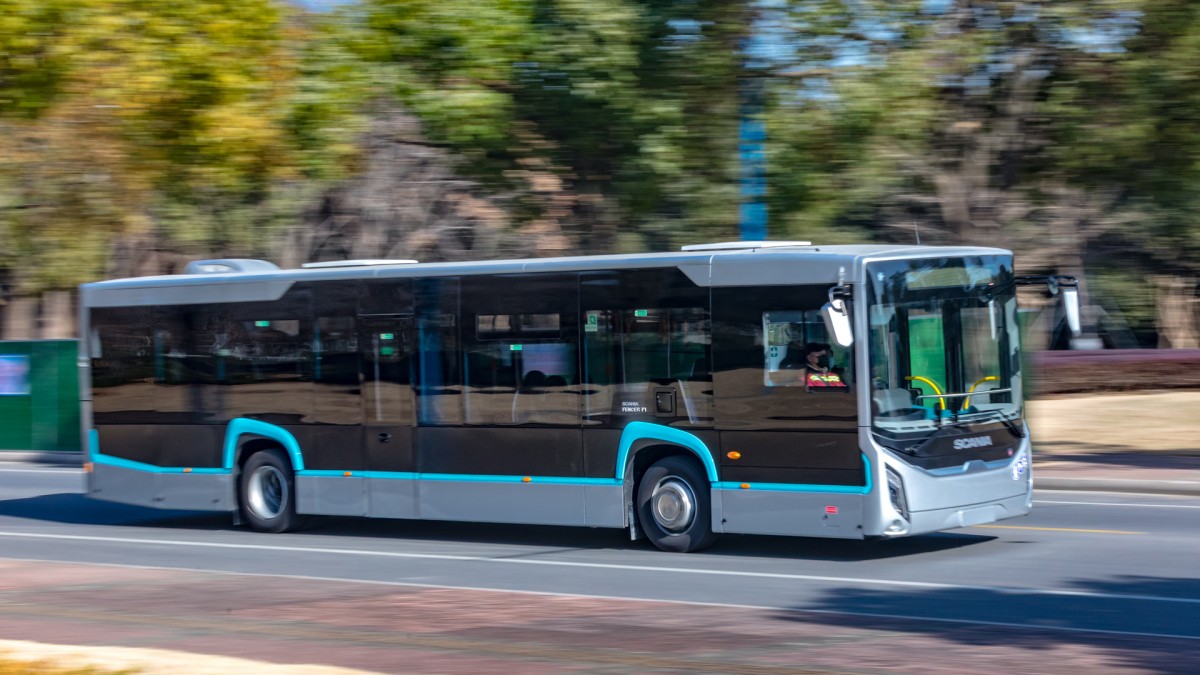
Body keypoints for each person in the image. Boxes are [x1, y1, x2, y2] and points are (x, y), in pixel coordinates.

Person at [783, 342, 847, 390]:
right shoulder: (803, 375)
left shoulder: (832, 374)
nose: (824, 357)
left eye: (825, 354)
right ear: (809, 358)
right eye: (820, 354)